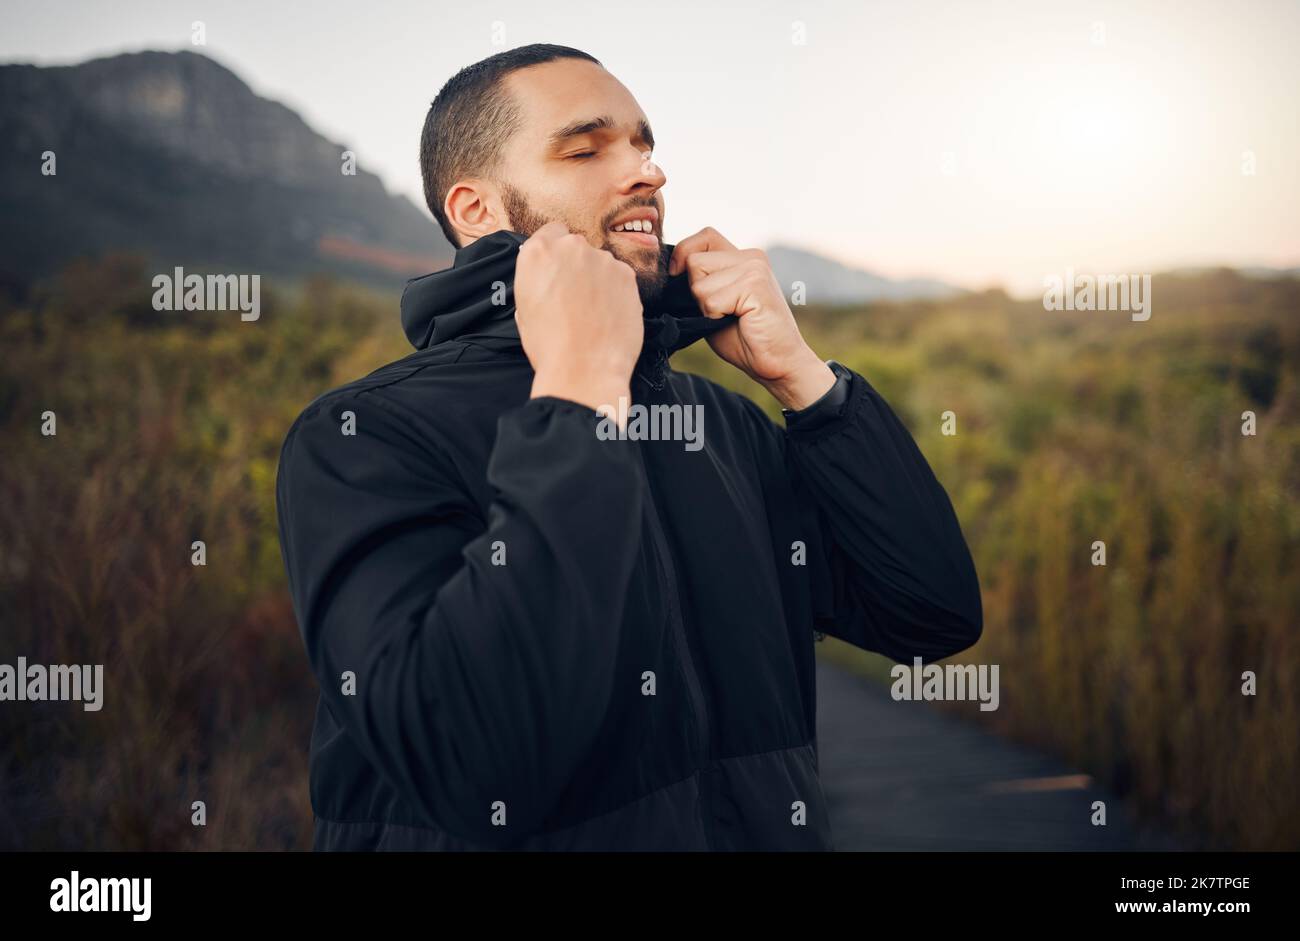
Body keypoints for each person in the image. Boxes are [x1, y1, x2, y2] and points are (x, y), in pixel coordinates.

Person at [275, 43, 982, 851]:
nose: (648, 172)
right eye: (586, 148)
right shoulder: (364, 437)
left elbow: (932, 615)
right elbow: (472, 761)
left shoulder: (726, 426)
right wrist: (579, 388)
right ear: (475, 211)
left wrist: (805, 382)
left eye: (643, 144)